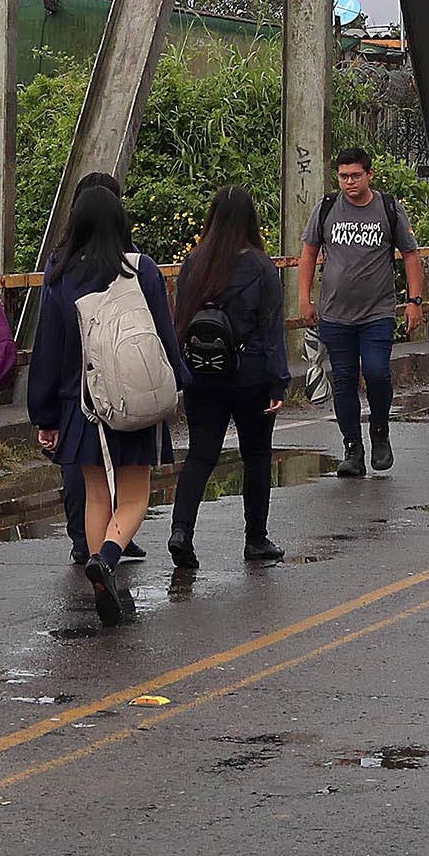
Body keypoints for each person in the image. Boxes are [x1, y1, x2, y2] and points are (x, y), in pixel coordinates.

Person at [28, 179, 190, 624]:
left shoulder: (59, 276)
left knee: (96, 496)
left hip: (81, 407)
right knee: (135, 496)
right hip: (133, 403)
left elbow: (47, 350)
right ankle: (107, 561)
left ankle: (103, 578)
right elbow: (163, 336)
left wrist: (45, 414)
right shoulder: (142, 270)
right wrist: (179, 380)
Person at [166, 184, 289, 568]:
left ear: (213, 218)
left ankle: (181, 530)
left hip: (203, 376)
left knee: (201, 455)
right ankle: (256, 539)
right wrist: (278, 381)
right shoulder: (261, 267)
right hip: (250, 376)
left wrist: (183, 371)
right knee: (257, 455)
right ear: (251, 220)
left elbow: (179, 322)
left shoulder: (194, 263)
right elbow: (271, 330)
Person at [298, 149, 428, 478]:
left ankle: (380, 431)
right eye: (343, 176)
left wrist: (415, 301)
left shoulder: (388, 208)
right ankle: (352, 448)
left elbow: (410, 255)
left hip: (377, 312)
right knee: (343, 380)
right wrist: (304, 299)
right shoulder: (327, 207)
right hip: (334, 313)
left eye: (355, 175)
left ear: (370, 175)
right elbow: (308, 253)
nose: (349, 182)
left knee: (376, 372)